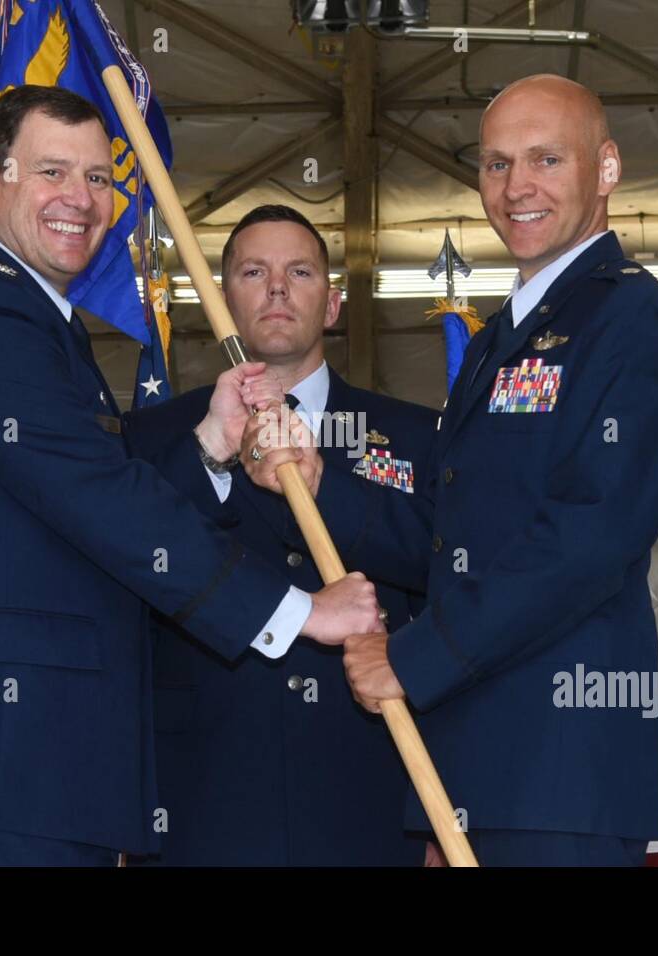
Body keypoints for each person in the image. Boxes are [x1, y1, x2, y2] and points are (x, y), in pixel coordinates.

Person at [0, 86, 380, 867]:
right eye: (52, 172)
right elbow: (100, 502)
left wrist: (208, 443)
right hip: (7, 762)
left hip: (40, 765)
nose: (81, 199)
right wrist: (300, 612)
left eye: (99, 179)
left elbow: (76, 498)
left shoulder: (35, 320)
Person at [241, 75, 658, 866]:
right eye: (495, 165)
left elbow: (588, 540)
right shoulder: (499, 338)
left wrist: (414, 661)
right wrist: (321, 484)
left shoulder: (632, 318)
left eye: (545, 159)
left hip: (560, 774)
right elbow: (453, 531)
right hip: (475, 772)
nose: (516, 187)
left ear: (608, 169)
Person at [122, 205, 436, 865]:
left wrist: (440, 811)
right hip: (206, 796)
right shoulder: (156, 438)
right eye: (253, 272)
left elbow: (445, 577)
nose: (276, 288)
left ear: (332, 304)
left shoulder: (414, 435)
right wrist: (211, 456)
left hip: (370, 791)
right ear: (225, 299)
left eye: (299, 271)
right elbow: (135, 568)